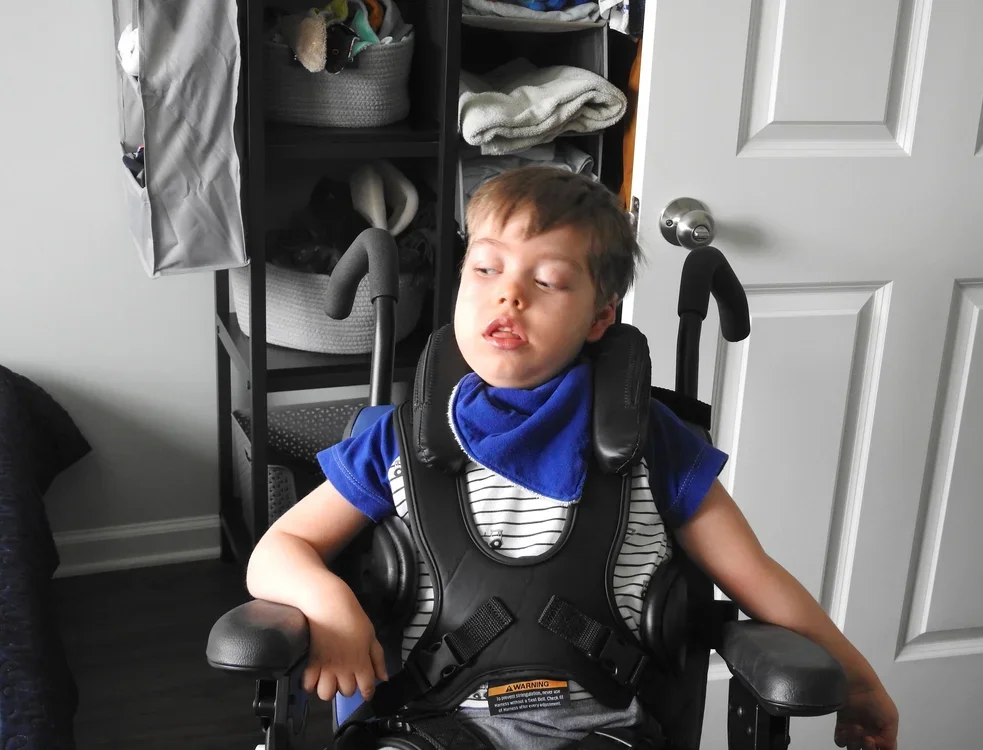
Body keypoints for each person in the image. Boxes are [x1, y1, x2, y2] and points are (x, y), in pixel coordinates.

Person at [245, 166, 899, 750]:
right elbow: (280, 550)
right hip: (431, 724)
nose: (509, 295)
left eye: (548, 280)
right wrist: (328, 602)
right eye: (486, 269)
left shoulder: (654, 446)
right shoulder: (395, 443)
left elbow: (755, 575)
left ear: (599, 318)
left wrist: (860, 681)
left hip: (601, 731)